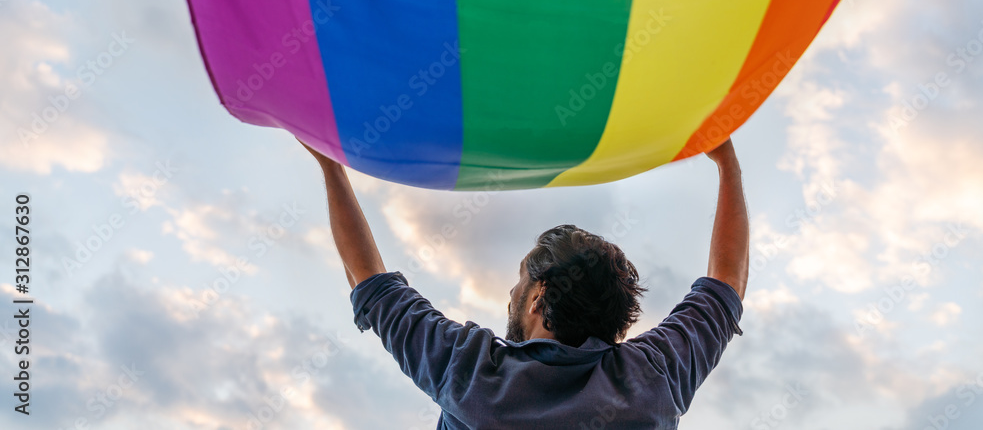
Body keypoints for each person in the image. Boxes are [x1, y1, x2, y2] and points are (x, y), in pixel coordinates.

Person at [300, 137, 749, 429]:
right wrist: (727, 162)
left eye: (519, 282)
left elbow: (368, 279)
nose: (510, 293)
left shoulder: (470, 369)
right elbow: (727, 279)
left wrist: (329, 165)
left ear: (539, 297)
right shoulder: (649, 378)